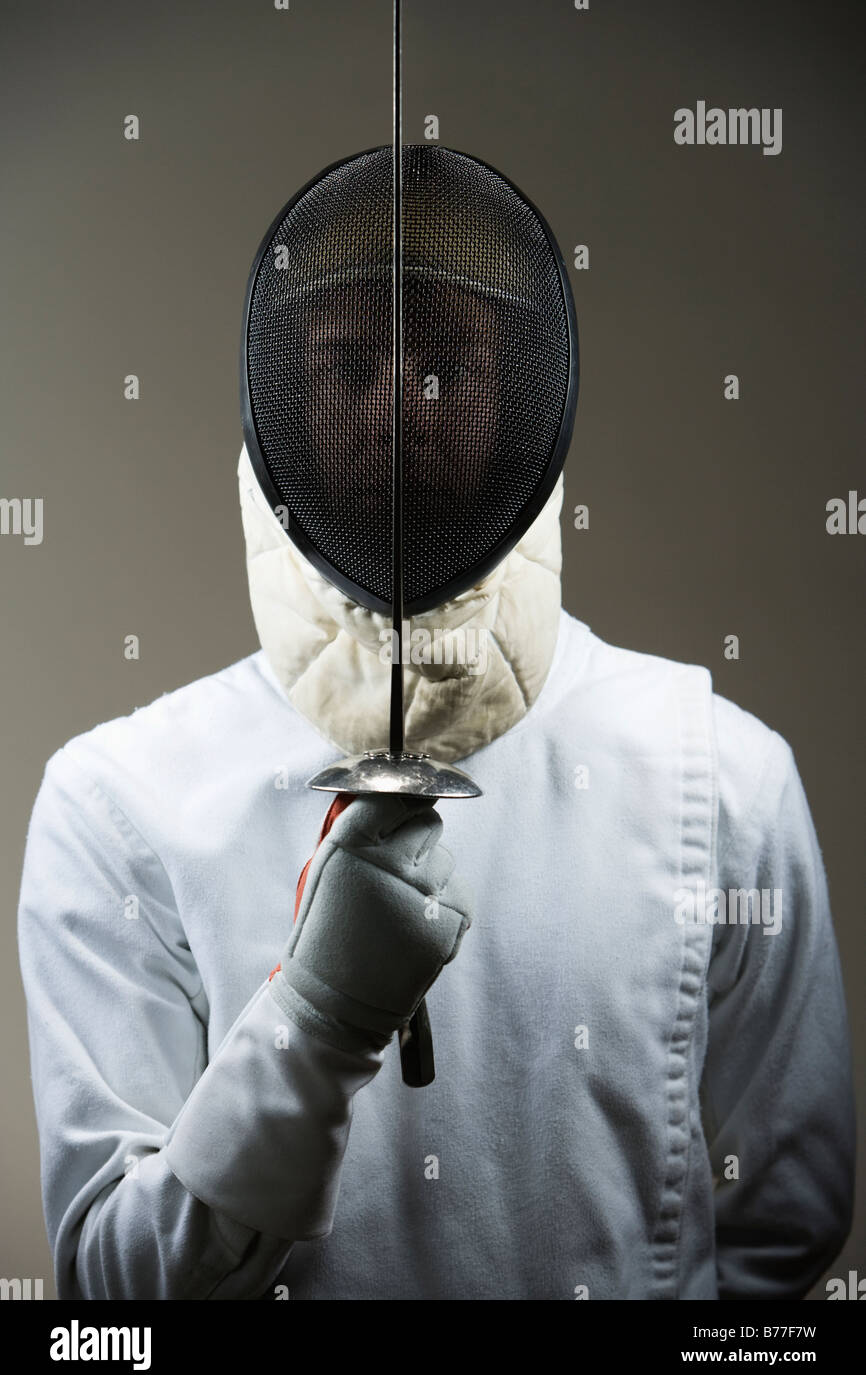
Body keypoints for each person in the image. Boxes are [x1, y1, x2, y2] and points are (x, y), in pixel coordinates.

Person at [17, 148, 855, 1301]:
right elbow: (111, 1290)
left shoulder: (721, 776)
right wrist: (311, 1025)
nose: (399, 410)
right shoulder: (115, 803)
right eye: (347, 365)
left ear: (525, 399)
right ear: (282, 405)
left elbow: (786, 1226)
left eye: (448, 367)